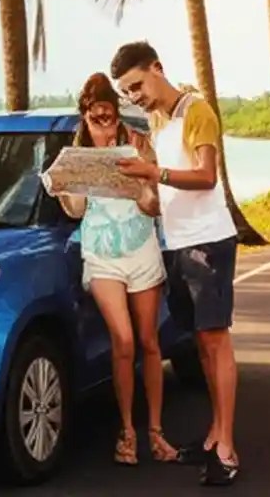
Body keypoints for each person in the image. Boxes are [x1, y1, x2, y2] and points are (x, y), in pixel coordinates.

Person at [109, 41, 241, 487]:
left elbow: (206, 177)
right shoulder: (156, 122)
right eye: (126, 92)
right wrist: (136, 185)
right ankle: (212, 434)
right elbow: (159, 200)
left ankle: (226, 447)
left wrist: (155, 173)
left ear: (157, 69)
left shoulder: (195, 110)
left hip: (210, 242)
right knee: (200, 344)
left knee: (215, 340)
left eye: (137, 85)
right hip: (176, 243)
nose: (134, 96)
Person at [52, 73, 179, 467]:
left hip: (141, 250)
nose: (104, 125)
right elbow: (75, 212)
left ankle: (156, 431)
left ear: (116, 112)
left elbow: (157, 206)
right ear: (86, 117)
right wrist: (65, 185)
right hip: (102, 255)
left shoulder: (139, 145)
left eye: (109, 117)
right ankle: (127, 430)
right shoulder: (77, 153)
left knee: (149, 342)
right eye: (96, 118)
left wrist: (143, 186)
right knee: (122, 341)